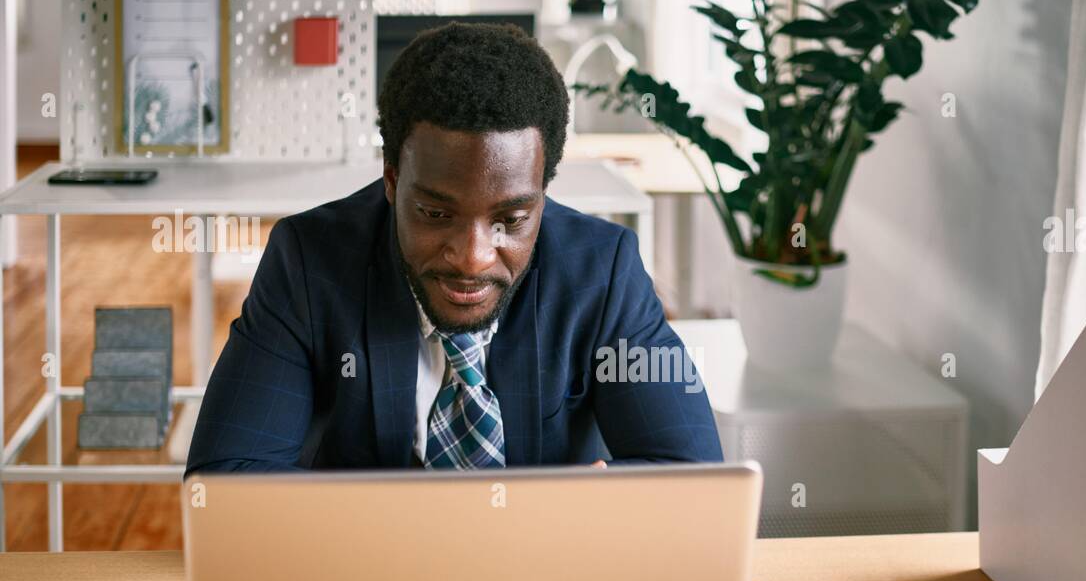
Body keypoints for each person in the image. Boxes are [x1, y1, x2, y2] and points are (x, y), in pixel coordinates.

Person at [185, 23, 722, 474]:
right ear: (393, 182)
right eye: (436, 215)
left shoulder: (603, 273)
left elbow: (690, 478)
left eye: (510, 219)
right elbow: (227, 483)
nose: (472, 257)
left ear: (543, 193)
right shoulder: (309, 262)